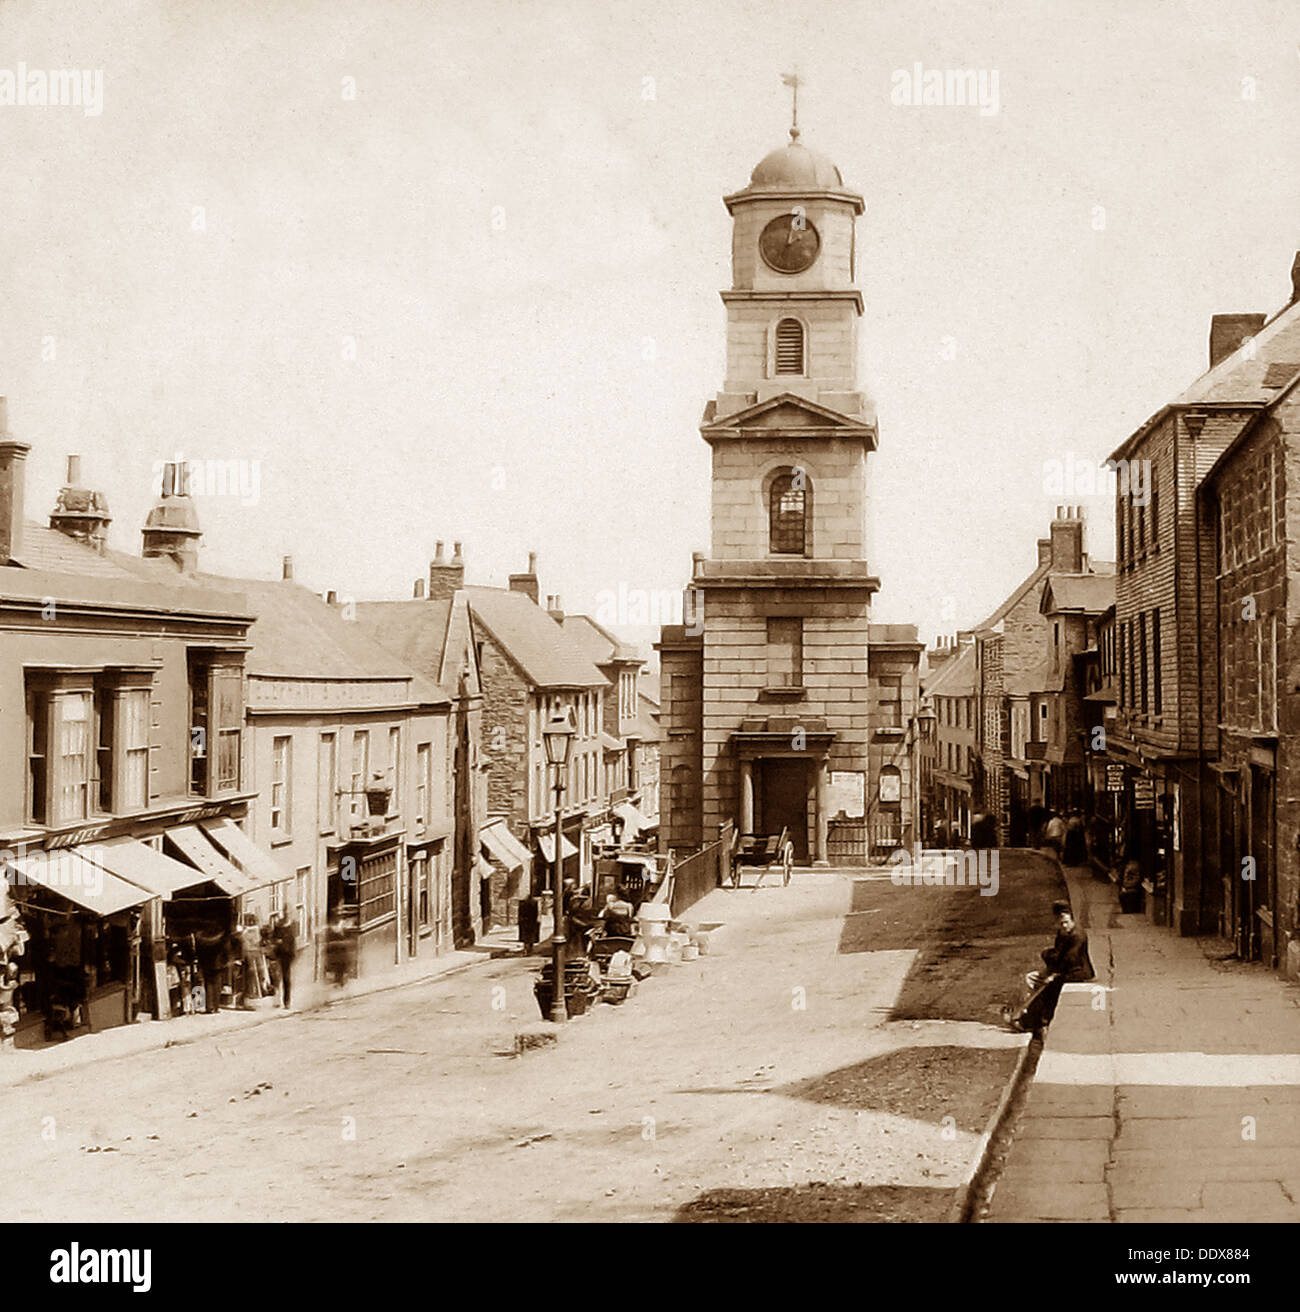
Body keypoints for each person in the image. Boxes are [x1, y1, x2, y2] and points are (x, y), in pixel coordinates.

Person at [1007, 900, 1094, 1034]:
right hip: (1064, 970)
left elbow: (1070, 959)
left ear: (1072, 919)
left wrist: (1053, 974)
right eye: (1061, 923)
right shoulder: (1064, 933)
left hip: (1076, 972)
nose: (1064, 926)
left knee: (1046, 988)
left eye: (1066, 922)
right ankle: (1025, 1013)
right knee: (1032, 978)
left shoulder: (1077, 936)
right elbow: (1058, 954)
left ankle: (1030, 1021)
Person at [272, 913, 296, 1008]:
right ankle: (277, 1001)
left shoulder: (290, 929)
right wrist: (276, 943)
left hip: (287, 957)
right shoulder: (278, 928)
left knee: (286, 979)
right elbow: (273, 939)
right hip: (277, 955)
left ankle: (287, 1001)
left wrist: (292, 955)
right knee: (276, 978)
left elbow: (293, 944)